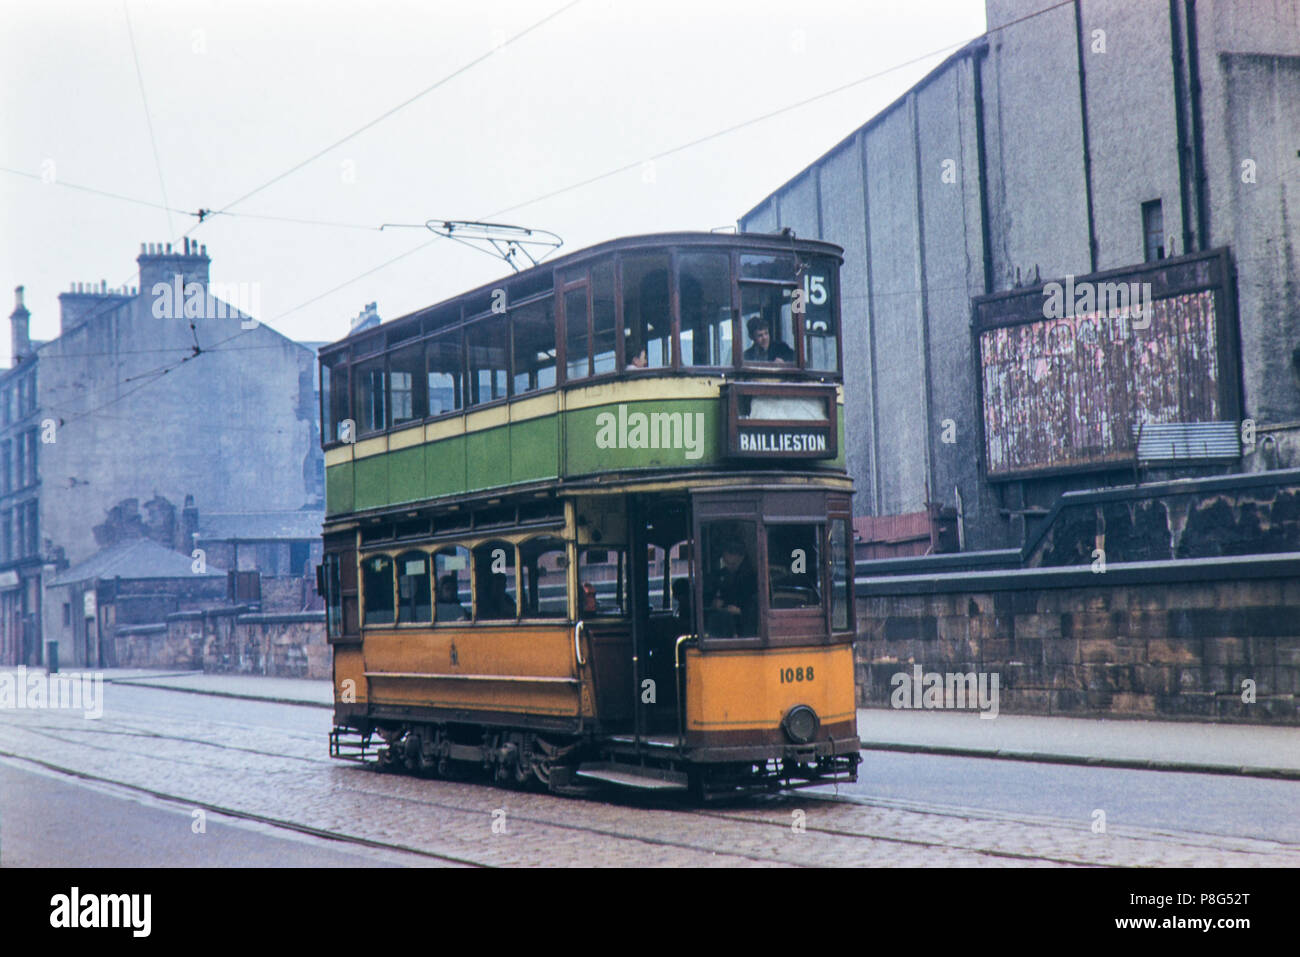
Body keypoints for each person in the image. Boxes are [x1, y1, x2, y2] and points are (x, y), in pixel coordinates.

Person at [704, 538, 757, 636]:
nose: (729, 566)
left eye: (732, 564)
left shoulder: (752, 578)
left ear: (741, 557)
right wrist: (714, 604)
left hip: (747, 629)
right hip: (725, 625)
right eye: (726, 563)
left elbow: (758, 607)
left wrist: (740, 611)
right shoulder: (721, 575)